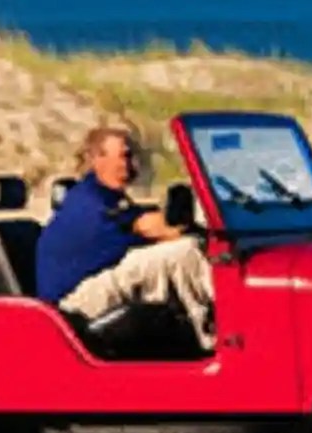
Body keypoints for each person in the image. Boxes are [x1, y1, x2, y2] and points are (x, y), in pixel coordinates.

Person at [35, 125, 215, 351]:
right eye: (124, 156)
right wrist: (200, 220)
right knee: (183, 252)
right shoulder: (90, 202)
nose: (131, 164)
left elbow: (148, 224)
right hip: (71, 305)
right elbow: (152, 227)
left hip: (95, 285)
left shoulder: (108, 198)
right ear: (98, 159)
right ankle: (216, 338)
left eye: (132, 156)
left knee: (179, 251)